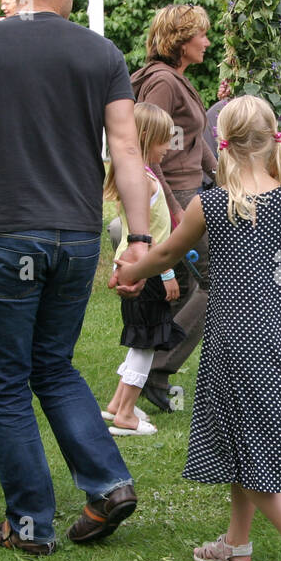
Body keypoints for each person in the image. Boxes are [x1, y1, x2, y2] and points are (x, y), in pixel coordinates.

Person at [0, 0, 153, 556]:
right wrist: (138, 239)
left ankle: (29, 523)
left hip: (7, 232)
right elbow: (128, 151)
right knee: (52, 365)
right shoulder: (102, 53)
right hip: (79, 236)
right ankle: (108, 485)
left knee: (4, 382)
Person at [116, 96, 281, 561]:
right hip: (278, 326)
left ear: (224, 142)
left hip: (235, 332)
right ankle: (236, 547)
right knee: (243, 428)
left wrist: (131, 270)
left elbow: (168, 250)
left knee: (247, 434)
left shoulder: (211, 204)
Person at [130, 4, 217, 412]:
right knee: (217, 285)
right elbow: (149, 151)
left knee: (179, 289)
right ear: (181, 40)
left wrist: (224, 178)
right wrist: (172, 207)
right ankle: (157, 366)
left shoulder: (178, 79)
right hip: (179, 198)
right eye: (201, 34)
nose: (207, 41)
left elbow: (195, 145)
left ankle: (146, 369)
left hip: (193, 192)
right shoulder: (162, 82)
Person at [101, 102, 184, 434]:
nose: (169, 148)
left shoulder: (135, 176)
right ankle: (125, 416)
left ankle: (117, 404)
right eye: (165, 140)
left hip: (132, 268)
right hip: (147, 272)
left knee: (140, 339)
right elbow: (150, 236)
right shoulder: (146, 182)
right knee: (146, 344)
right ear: (147, 138)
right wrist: (166, 273)